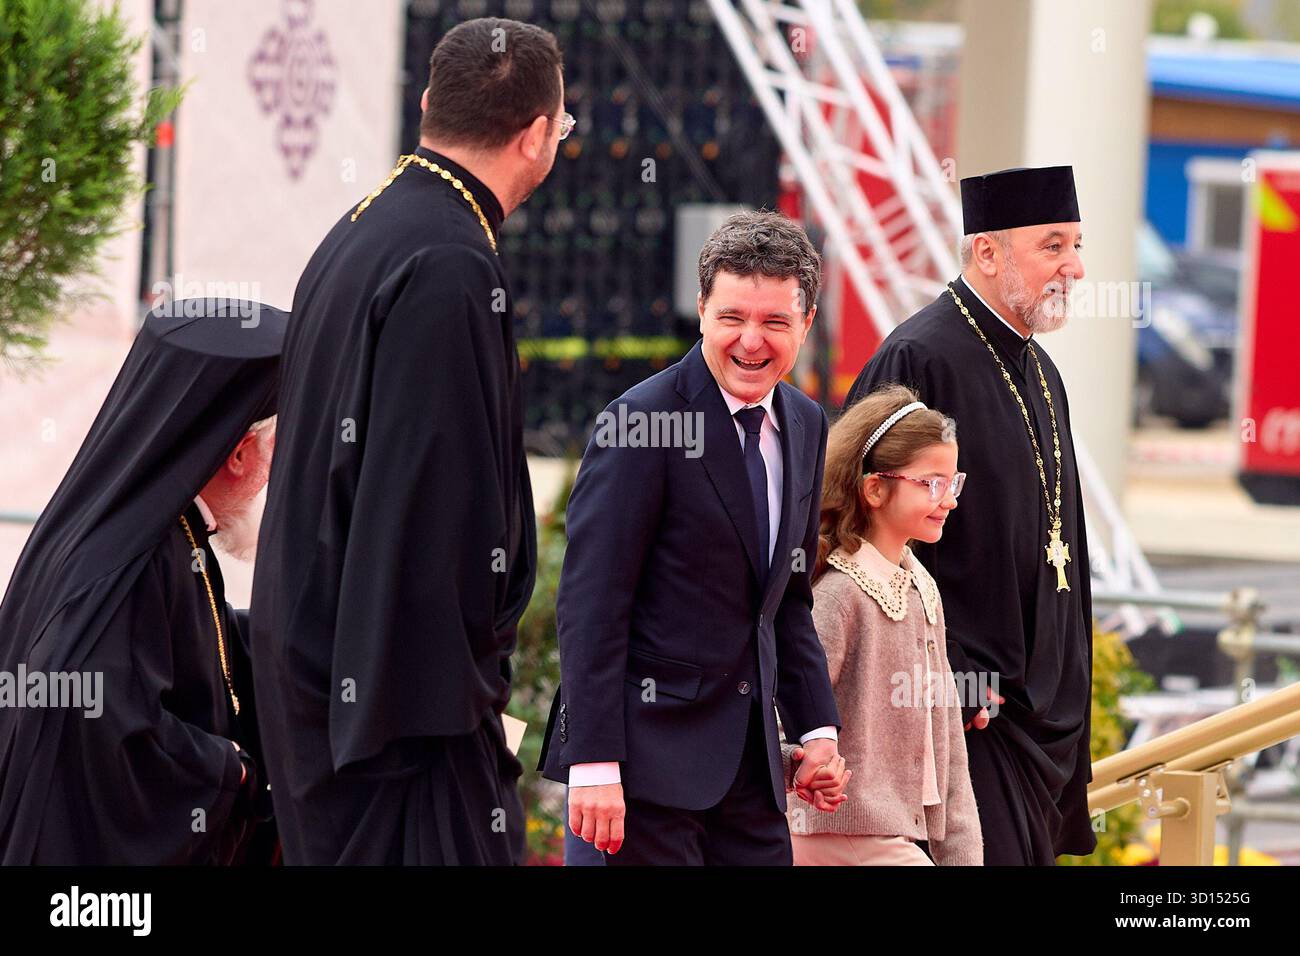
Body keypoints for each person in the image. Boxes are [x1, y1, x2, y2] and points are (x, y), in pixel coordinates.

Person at [249, 17, 564, 865]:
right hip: (400, 735)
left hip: (330, 682)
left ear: (429, 104)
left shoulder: (367, 223)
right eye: (562, 129)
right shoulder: (451, 262)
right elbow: (432, 519)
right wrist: (464, 713)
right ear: (536, 136)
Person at [537, 210, 849, 866]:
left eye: (774, 323)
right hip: (641, 778)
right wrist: (593, 763)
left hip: (752, 780)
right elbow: (592, 606)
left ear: (807, 323)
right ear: (702, 309)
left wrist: (817, 729)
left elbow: (785, 598)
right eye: (733, 318)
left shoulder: (806, 422)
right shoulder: (640, 421)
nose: (751, 342)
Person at [845, 165, 1095, 864]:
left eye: (1077, 245)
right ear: (986, 253)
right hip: (964, 714)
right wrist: (946, 678)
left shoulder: (1044, 375)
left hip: (1039, 717)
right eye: (1053, 246)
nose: (1074, 266)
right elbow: (857, 537)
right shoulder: (919, 356)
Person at [0, 298, 286, 864]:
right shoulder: (140, 556)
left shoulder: (163, 526)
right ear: (237, 452)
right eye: (279, 449)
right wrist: (234, 770)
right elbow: (95, 718)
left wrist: (300, 648)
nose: (278, 472)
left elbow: (194, 643)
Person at [783, 384, 982, 866]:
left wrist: (963, 857)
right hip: (835, 837)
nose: (948, 499)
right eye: (931, 483)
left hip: (892, 839)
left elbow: (951, 750)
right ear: (875, 488)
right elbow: (779, 710)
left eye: (953, 482)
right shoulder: (837, 594)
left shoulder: (921, 586)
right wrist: (800, 764)